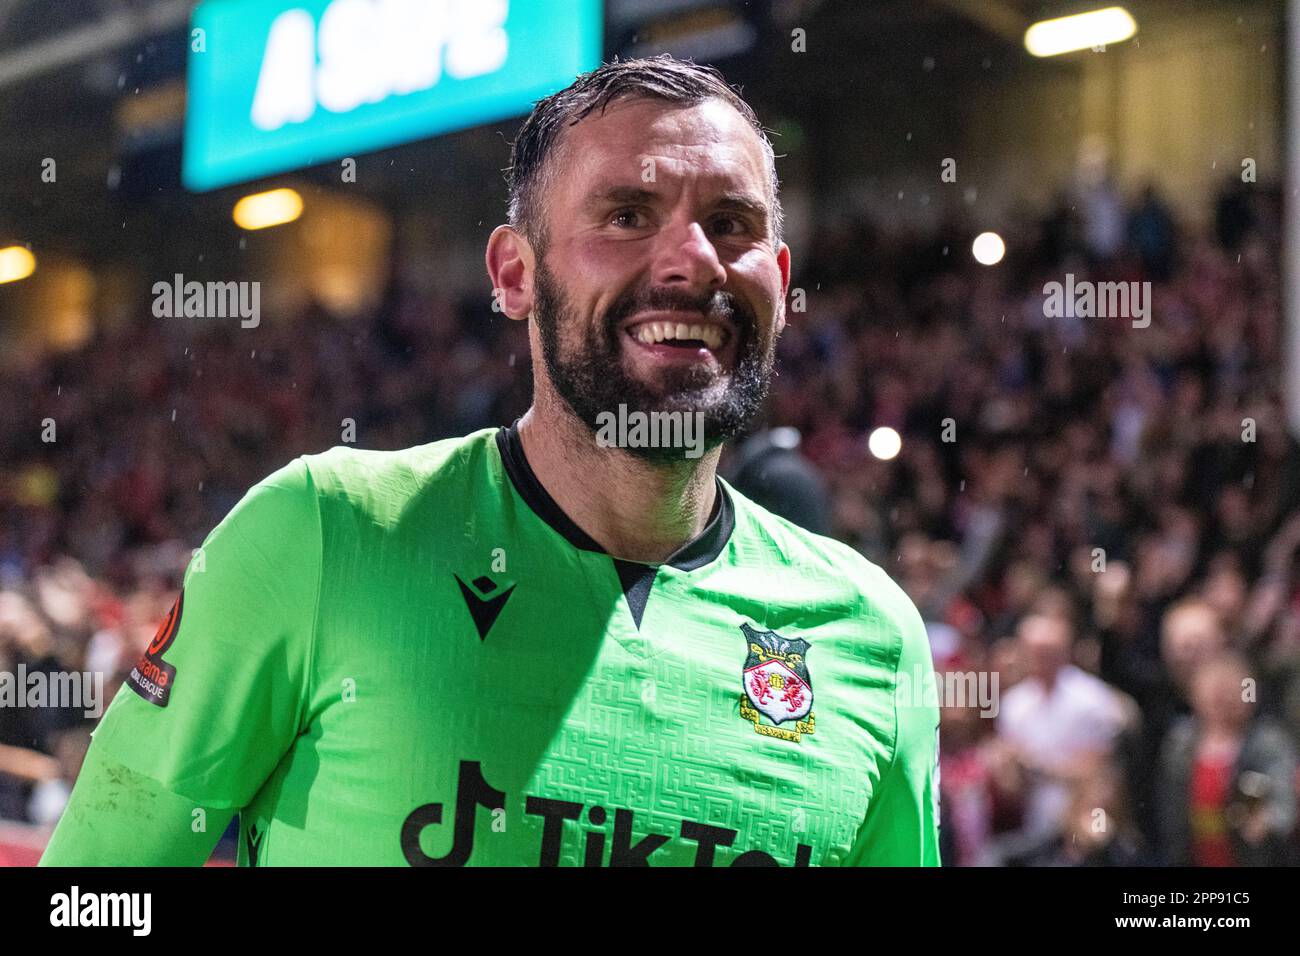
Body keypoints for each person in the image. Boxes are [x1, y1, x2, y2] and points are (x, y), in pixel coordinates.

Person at [40, 55, 938, 867]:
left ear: (779, 280)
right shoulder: (325, 533)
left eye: (731, 223)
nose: (692, 260)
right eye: (627, 215)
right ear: (513, 274)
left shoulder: (873, 638)